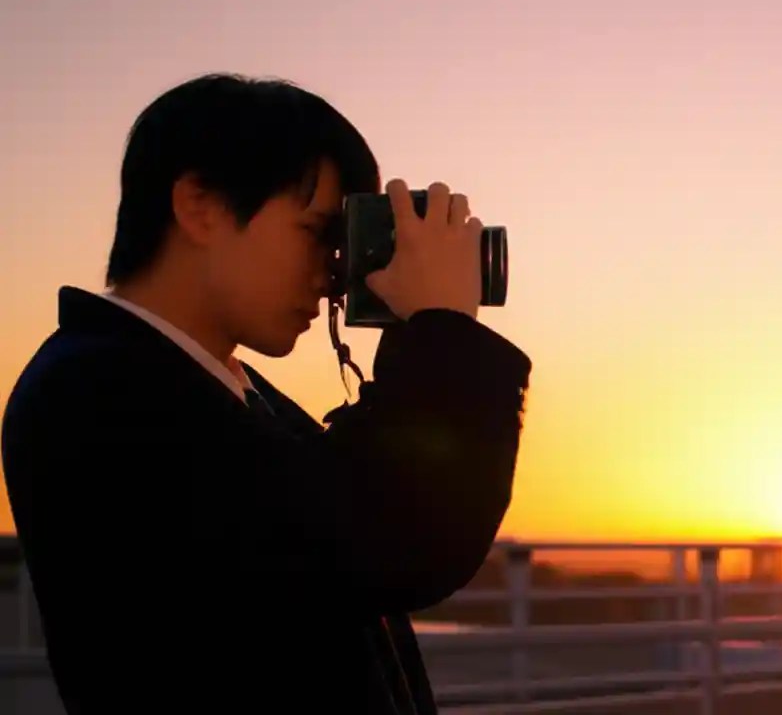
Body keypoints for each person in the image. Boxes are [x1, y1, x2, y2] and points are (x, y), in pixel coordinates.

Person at [1, 74, 531, 714]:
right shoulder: (96, 394)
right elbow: (395, 542)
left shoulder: (214, 384)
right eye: (315, 232)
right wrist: (439, 329)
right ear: (201, 206)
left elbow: (346, 513)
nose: (334, 273)